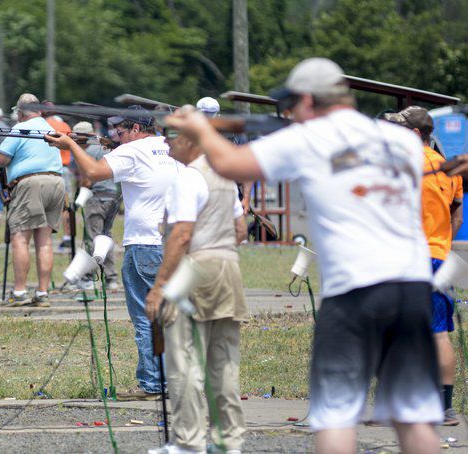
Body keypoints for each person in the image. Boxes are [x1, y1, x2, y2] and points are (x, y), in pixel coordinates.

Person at [165, 57, 442, 453]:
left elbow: (228, 163)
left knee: (335, 416)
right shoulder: (399, 141)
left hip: (354, 289)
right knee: (413, 417)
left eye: (292, 106)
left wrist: (200, 129)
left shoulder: (310, 139)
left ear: (309, 100)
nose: (290, 115)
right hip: (412, 285)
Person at [45, 105, 181, 401]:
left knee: (146, 317)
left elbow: (93, 172)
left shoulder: (132, 152)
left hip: (144, 244)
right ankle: (173, 380)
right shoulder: (167, 146)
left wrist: (69, 144)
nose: (115, 133)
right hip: (173, 242)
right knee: (169, 316)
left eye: (121, 129)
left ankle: (152, 383)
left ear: (135, 129)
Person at [144, 115, 248, 454]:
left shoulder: (187, 178)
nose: (167, 142)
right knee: (224, 362)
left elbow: (183, 234)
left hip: (194, 269)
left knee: (184, 359)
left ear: (191, 141)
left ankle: (188, 441)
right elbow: (240, 229)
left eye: (173, 136)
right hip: (228, 267)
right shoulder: (223, 176)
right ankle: (229, 441)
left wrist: (159, 287)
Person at [386, 106, 464, 426]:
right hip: (440, 257)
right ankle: (445, 407)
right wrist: (442, 240)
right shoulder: (450, 169)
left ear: (415, 135)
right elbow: (457, 214)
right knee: (440, 332)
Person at [0, 93, 65, 307]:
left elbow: (1, 160)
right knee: (44, 242)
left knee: (20, 238)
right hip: (56, 182)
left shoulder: (19, 128)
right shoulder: (50, 127)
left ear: (20, 112)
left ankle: (19, 292)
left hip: (30, 184)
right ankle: (43, 293)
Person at [73, 121, 121, 291]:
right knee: (105, 238)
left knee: (92, 238)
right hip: (113, 197)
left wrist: (78, 198)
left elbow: (88, 178)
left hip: (97, 197)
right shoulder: (105, 147)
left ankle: (88, 277)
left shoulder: (88, 152)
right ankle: (111, 278)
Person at [41, 101, 75, 250]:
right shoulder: (65, 126)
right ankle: (68, 236)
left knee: (45, 203)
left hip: (48, 168)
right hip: (65, 168)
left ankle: (43, 236)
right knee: (66, 205)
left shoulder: (41, 125)